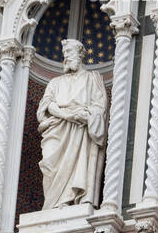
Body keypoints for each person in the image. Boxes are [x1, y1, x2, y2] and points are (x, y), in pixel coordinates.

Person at [37, 39, 107, 209]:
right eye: (64, 54)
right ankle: (53, 204)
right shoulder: (55, 82)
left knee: (79, 165)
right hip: (58, 126)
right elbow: (46, 106)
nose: (66, 57)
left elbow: (100, 106)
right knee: (49, 163)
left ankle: (73, 201)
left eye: (69, 52)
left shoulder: (92, 78)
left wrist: (87, 116)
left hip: (80, 128)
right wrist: (66, 115)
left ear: (81, 54)